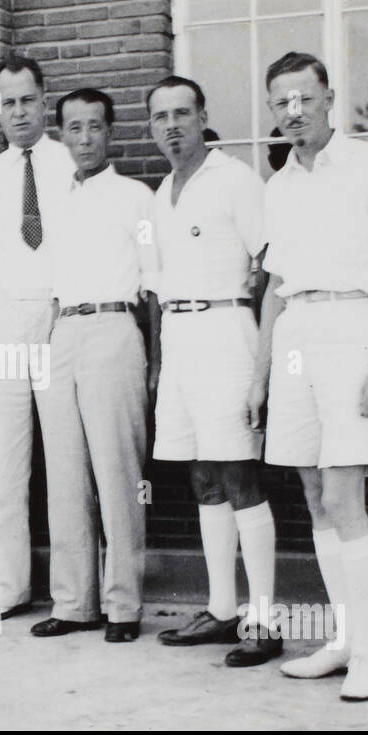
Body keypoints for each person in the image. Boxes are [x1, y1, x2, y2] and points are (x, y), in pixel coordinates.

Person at [251, 52, 368, 700]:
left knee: (347, 497)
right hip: (296, 332)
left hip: (354, 329)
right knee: (315, 496)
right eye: (281, 102)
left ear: (329, 98)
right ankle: (344, 639)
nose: (294, 112)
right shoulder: (279, 184)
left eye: (304, 98)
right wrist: (260, 373)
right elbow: (273, 286)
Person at [147, 76, 280, 666]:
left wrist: (263, 365)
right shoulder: (159, 194)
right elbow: (153, 289)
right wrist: (156, 362)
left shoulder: (236, 181)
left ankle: (265, 620)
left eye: (182, 113)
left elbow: (273, 268)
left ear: (203, 116)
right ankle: (224, 611)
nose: (171, 125)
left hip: (227, 332)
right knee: (202, 477)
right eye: (159, 117)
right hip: (179, 342)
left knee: (238, 475)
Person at [0, 55, 76, 624]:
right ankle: (7, 587)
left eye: (28, 99)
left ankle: (77, 592)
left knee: (69, 463)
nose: (19, 112)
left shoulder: (72, 164)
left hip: (57, 319)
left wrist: (65, 312)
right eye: (8, 102)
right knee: (5, 467)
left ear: (44, 101)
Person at [30, 88, 154, 642]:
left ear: (111, 132)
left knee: (116, 472)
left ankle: (123, 604)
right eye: (73, 128)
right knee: (64, 474)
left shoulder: (136, 198)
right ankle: (74, 601)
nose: (84, 139)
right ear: (61, 135)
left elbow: (153, 287)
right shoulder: (54, 200)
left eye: (95, 127)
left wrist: (153, 360)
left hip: (114, 328)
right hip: (63, 332)